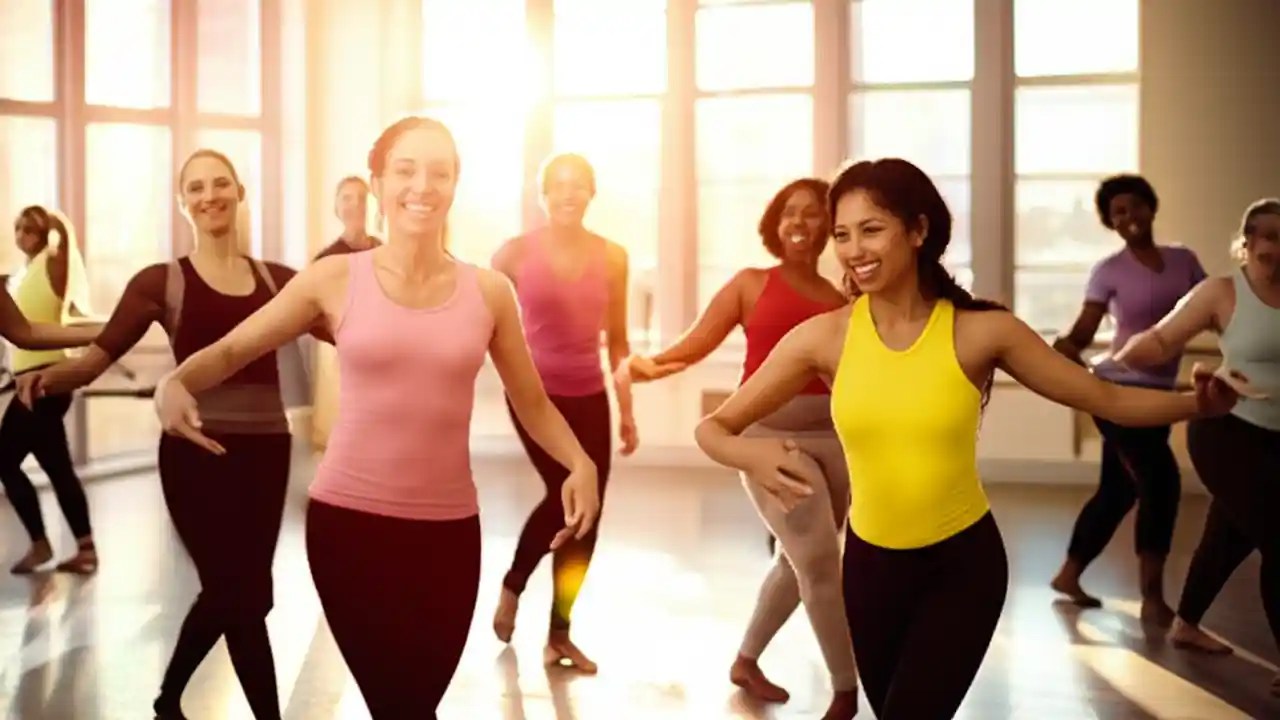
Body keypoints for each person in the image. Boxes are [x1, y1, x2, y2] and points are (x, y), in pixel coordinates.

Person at [692, 158, 1240, 720]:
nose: (854, 248)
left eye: (872, 229)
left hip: (960, 568)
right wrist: (748, 452)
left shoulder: (982, 330)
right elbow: (713, 428)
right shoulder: (824, 337)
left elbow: (1107, 398)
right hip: (869, 570)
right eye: (843, 234)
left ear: (918, 230)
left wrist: (1198, 403)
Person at [147, 116, 601, 718]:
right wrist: (174, 382)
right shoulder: (334, 279)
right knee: (400, 708)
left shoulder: (489, 292)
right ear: (378, 181)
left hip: (450, 535)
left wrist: (579, 462)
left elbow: (532, 400)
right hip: (348, 528)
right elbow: (235, 348)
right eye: (406, 170)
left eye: (439, 172)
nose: (422, 185)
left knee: (419, 706)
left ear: (455, 183)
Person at [17, 150, 320, 720]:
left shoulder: (279, 282)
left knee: (243, 592)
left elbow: (352, 327)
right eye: (197, 188)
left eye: (221, 184)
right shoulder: (162, 281)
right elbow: (95, 357)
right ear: (183, 204)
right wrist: (49, 375)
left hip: (265, 453)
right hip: (193, 457)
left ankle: (166, 701)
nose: (210, 196)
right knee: (242, 599)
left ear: (240, 191)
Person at [622, 178, 855, 716]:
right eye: (789, 213)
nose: (799, 222)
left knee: (799, 561)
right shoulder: (752, 284)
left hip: (836, 440)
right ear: (775, 224)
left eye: (814, 214)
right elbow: (696, 344)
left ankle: (746, 661)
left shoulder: (845, 296)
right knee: (820, 560)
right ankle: (847, 692)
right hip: (769, 439)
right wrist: (644, 370)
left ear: (830, 228)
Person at [1111, 197, 1280, 694]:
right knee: (1278, 538)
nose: (1273, 245)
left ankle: (1185, 624)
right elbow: (1161, 341)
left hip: (1278, 439)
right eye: (1264, 235)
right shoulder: (1222, 293)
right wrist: (1119, 358)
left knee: (1229, 532)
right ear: (1245, 244)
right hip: (1227, 432)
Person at [490, 152, 636, 673]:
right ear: (543, 194)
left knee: (586, 513)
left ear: (591, 194)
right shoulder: (511, 254)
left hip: (589, 394)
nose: (568, 195)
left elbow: (618, 342)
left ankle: (559, 634)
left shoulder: (614, 257)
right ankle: (513, 585)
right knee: (564, 495)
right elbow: (482, 317)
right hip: (534, 395)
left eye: (579, 186)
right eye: (558, 186)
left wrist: (628, 411)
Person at [1049, 174, 1208, 623]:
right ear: (1111, 223)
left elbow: (1212, 310)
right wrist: (1064, 357)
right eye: (1118, 212)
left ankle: (1068, 575)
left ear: (1151, 208)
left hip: (1158, 396)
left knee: (1117, 492)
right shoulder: (1109, 271)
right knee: (1162, 483)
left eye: (1134, 207)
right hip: (1118, 393)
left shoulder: (1184, 262)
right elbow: (1081, 333)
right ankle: (1152, 599)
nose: (1128, 217)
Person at [2, 206, 101, 575]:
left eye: (31, 229)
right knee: (57, 467)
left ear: (44, 235)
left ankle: (40, 545)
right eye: (19, 228)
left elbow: (63, 236)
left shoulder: (52, 264)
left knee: (3, 460)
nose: (23, 236)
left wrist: (53, 215)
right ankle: (86, 549)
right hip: (28, 378)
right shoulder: (20, 277)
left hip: (47, 380)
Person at [314, 176, 381, 260]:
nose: (356, 204)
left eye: (362, 198)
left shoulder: (382, 251)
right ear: (336, 208)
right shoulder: (326, 259)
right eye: (347, 198)